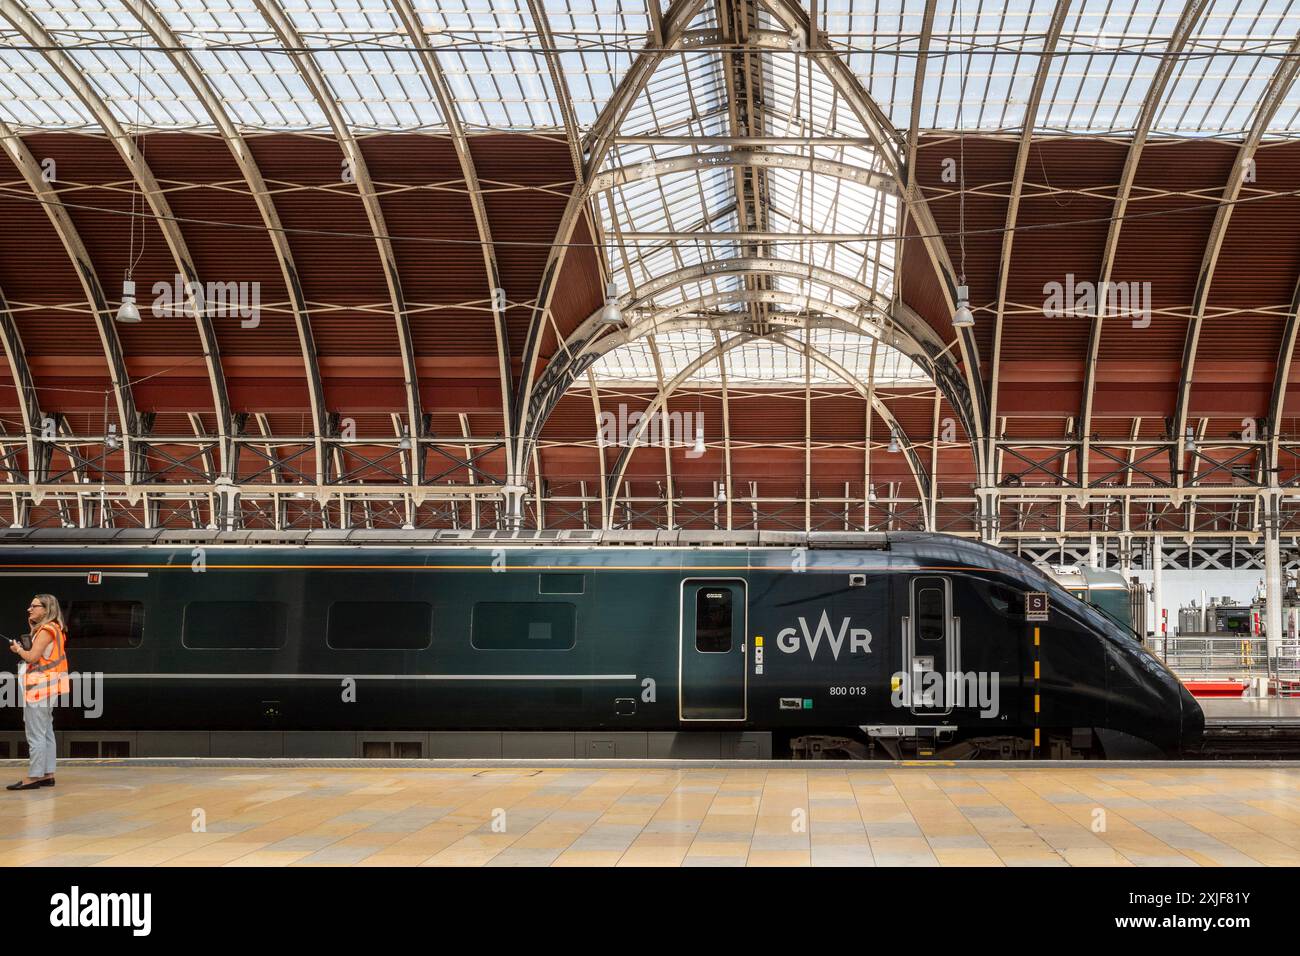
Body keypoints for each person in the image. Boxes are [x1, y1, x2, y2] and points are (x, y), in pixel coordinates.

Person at [7, 594, 69, 790]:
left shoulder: (45, 630)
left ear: (46, 608)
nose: (29, 609)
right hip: (51, 685)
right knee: (46, 731)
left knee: (35, 733)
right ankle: (48, 774)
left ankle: (34, 777)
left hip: (39, 687)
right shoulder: (56, 629)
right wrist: (32, 627)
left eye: (34, 606)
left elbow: (32, 657)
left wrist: (18, 649)